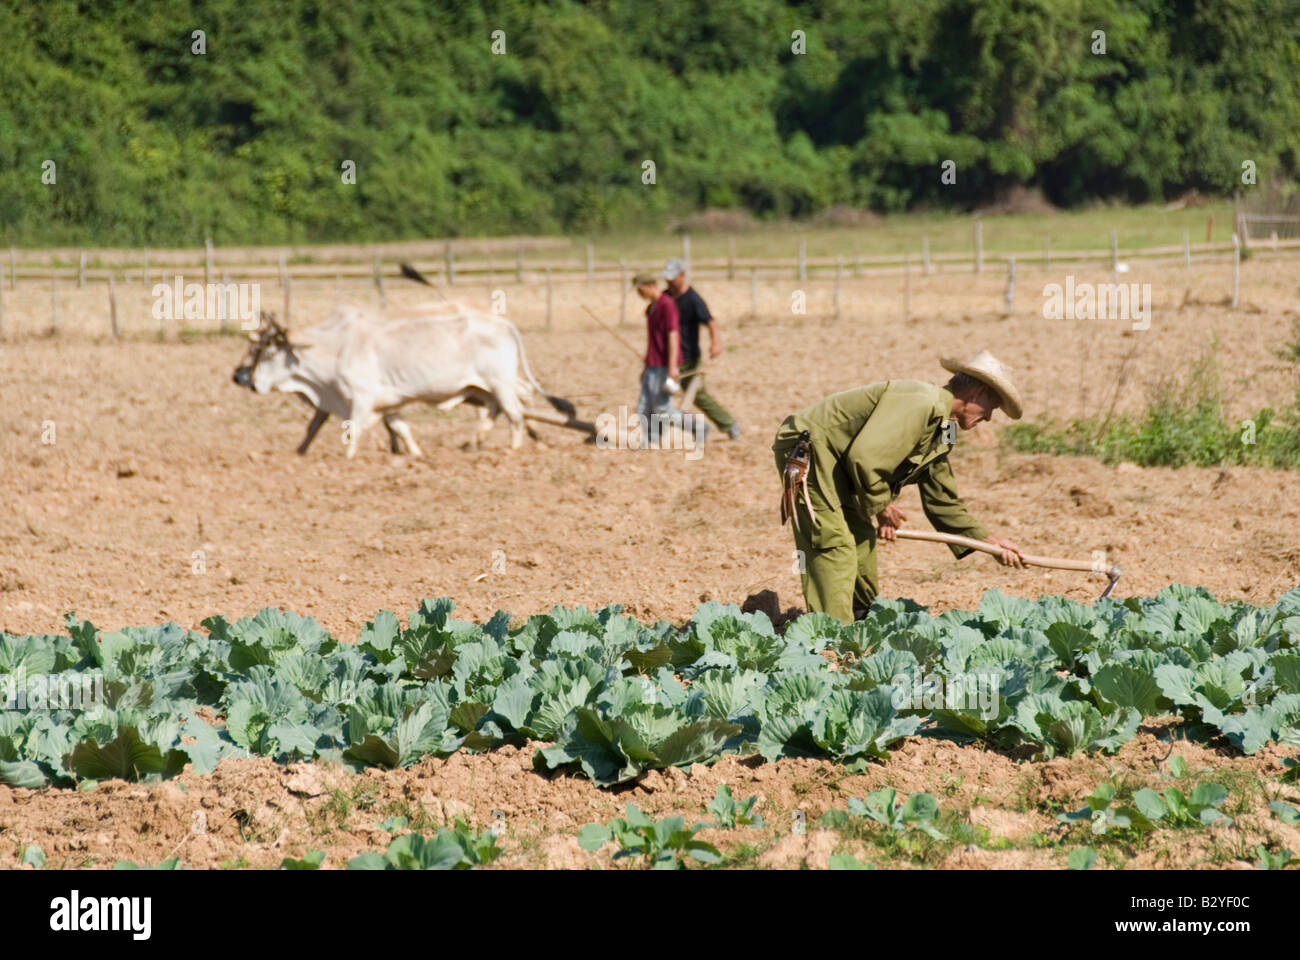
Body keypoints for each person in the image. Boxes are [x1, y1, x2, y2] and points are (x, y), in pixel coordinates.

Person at [771, 350, 1026, 623]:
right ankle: (832, 639)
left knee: (861, 542)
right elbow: (865, 457)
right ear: (977, 393)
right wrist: (882, 505)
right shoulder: (920, 401)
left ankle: (863, 621)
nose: (988, 418)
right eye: (993, 406)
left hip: (841, 467)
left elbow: (942, 500)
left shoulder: (945, 431)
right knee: (833, 545)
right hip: (810, 451)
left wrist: (987, 540)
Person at [663, 258, 741, 439]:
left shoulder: (693, 299)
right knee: (659, 394)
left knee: (697, 395)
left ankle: (728, 424)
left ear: (682, 276)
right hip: (667, 358)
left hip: (689, 357)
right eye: (667, 278)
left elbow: (710, 322)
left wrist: (716, 343)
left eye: (672, 278)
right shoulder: (665, 298)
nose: (669, 282)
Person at [632, 272, 706, 448]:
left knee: (662, 409)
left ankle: (699, 428)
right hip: (652, 364)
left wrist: (672, 367)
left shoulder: (667, 305)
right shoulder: (652, 308)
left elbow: (673, 336)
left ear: (649, 286)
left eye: (640, 290)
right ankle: (652, 441)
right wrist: (647, 365)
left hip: (664, 366)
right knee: (644, 407)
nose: (639, 294)